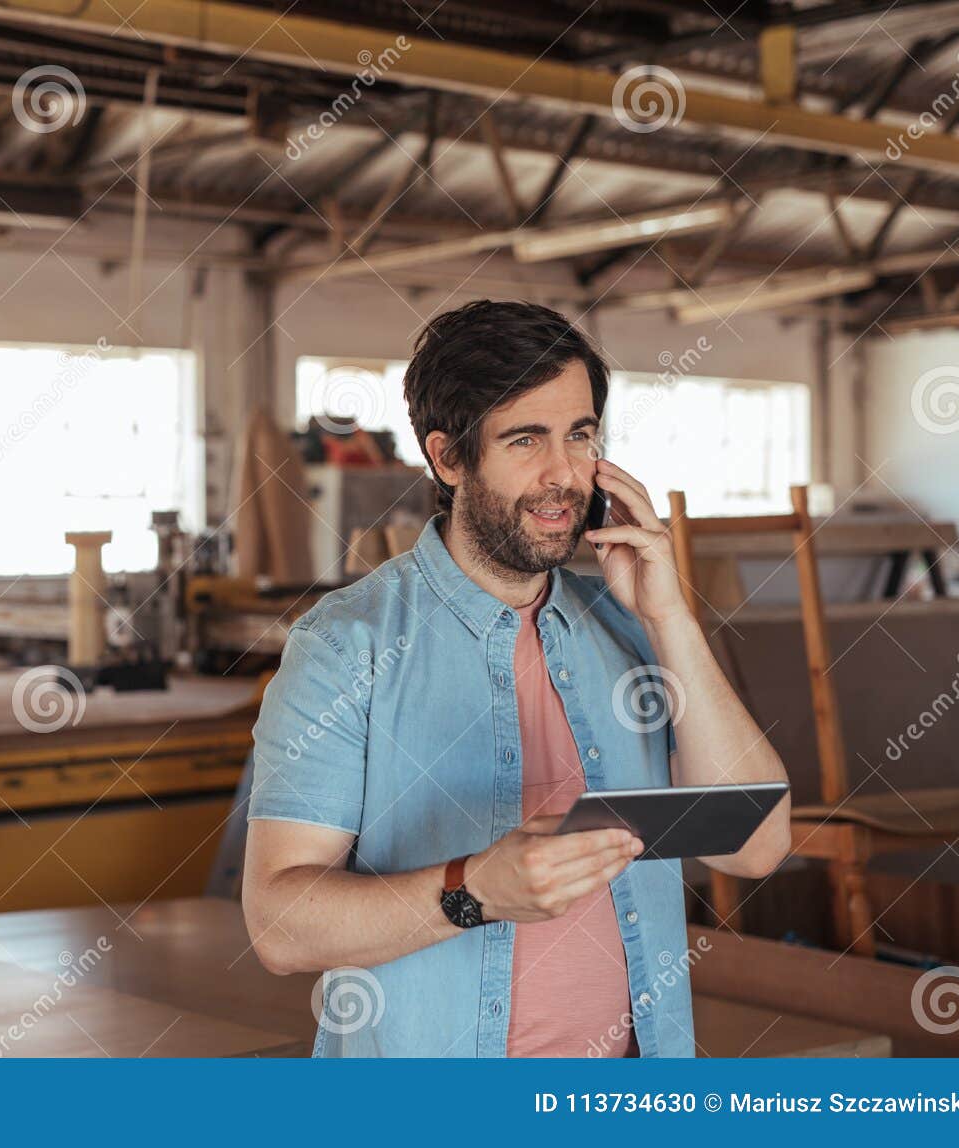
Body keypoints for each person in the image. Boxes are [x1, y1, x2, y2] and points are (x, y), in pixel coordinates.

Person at [241, 300, 791, 1057]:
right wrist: (472, 892)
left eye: (581, 434)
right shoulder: (348, 645)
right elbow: (280, 925)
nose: (563, 474)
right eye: (525, 439)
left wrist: (671, 620)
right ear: (449, 458)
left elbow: (755, 845)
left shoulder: (632, 628)